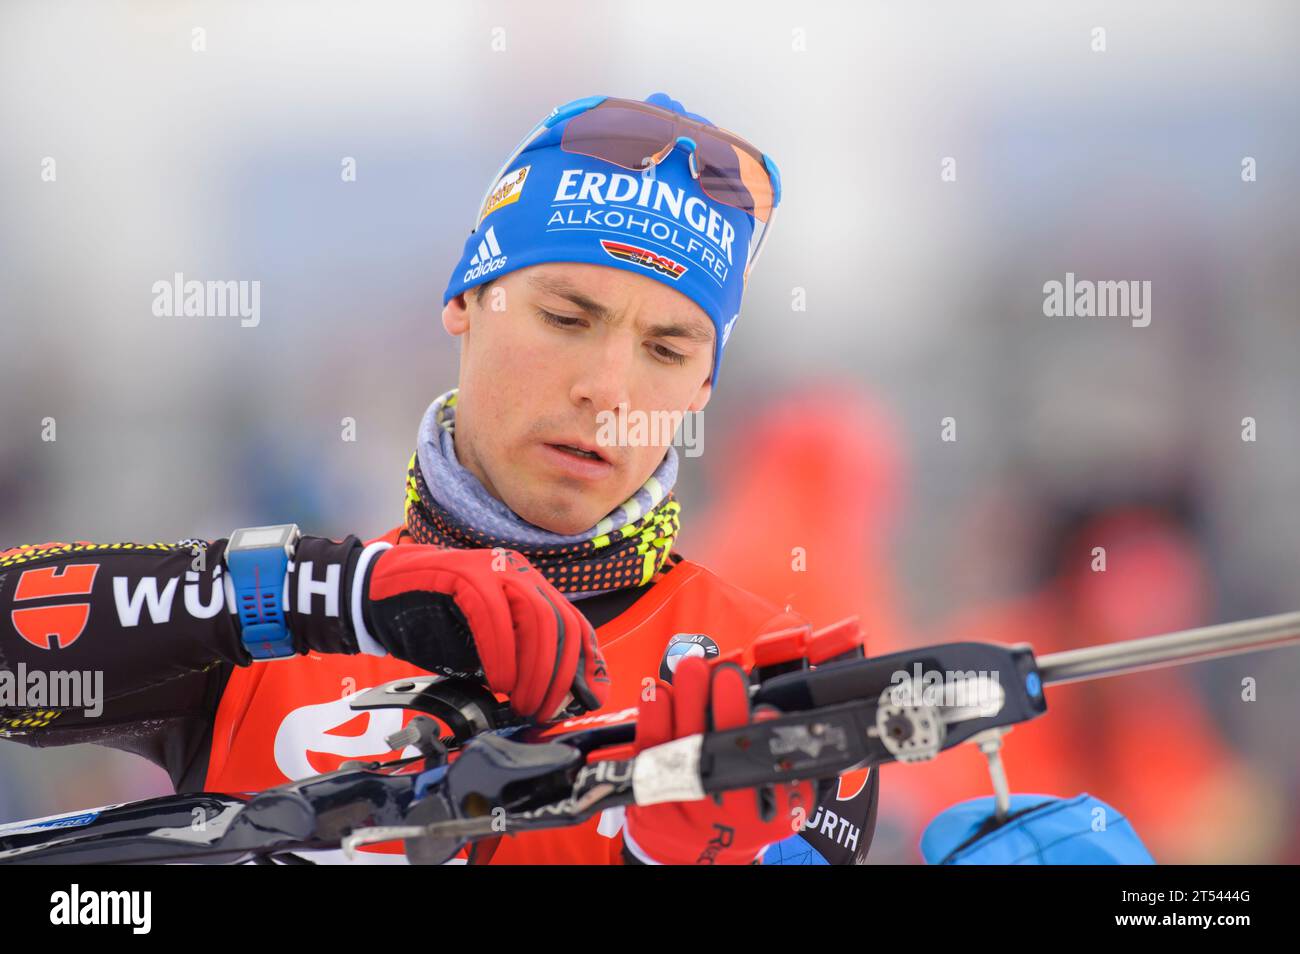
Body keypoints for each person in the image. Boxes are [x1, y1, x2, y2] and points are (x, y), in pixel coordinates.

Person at [0, 92, 876, 865]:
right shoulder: (286, 625)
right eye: (568, 316)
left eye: (666, 348)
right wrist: (333, 595)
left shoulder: (773, 680)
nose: (607, 389)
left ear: (704, 386)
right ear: (465, 298)